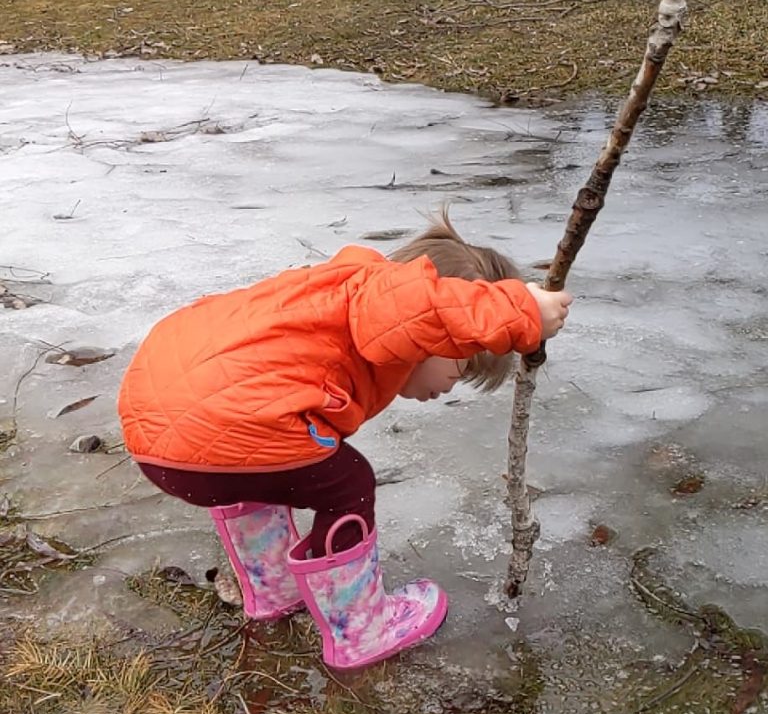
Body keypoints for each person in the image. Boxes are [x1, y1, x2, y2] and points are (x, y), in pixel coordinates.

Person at [118, 211, 572, 669]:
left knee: (270, 457)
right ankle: (362, 631)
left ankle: (272, 585)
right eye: (462, 363)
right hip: (211, 427)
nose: (454, 385)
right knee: (348, 485)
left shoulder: (335, 299)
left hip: (161, 436)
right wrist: (523, 311)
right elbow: (424, 306)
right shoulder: (391, 296)